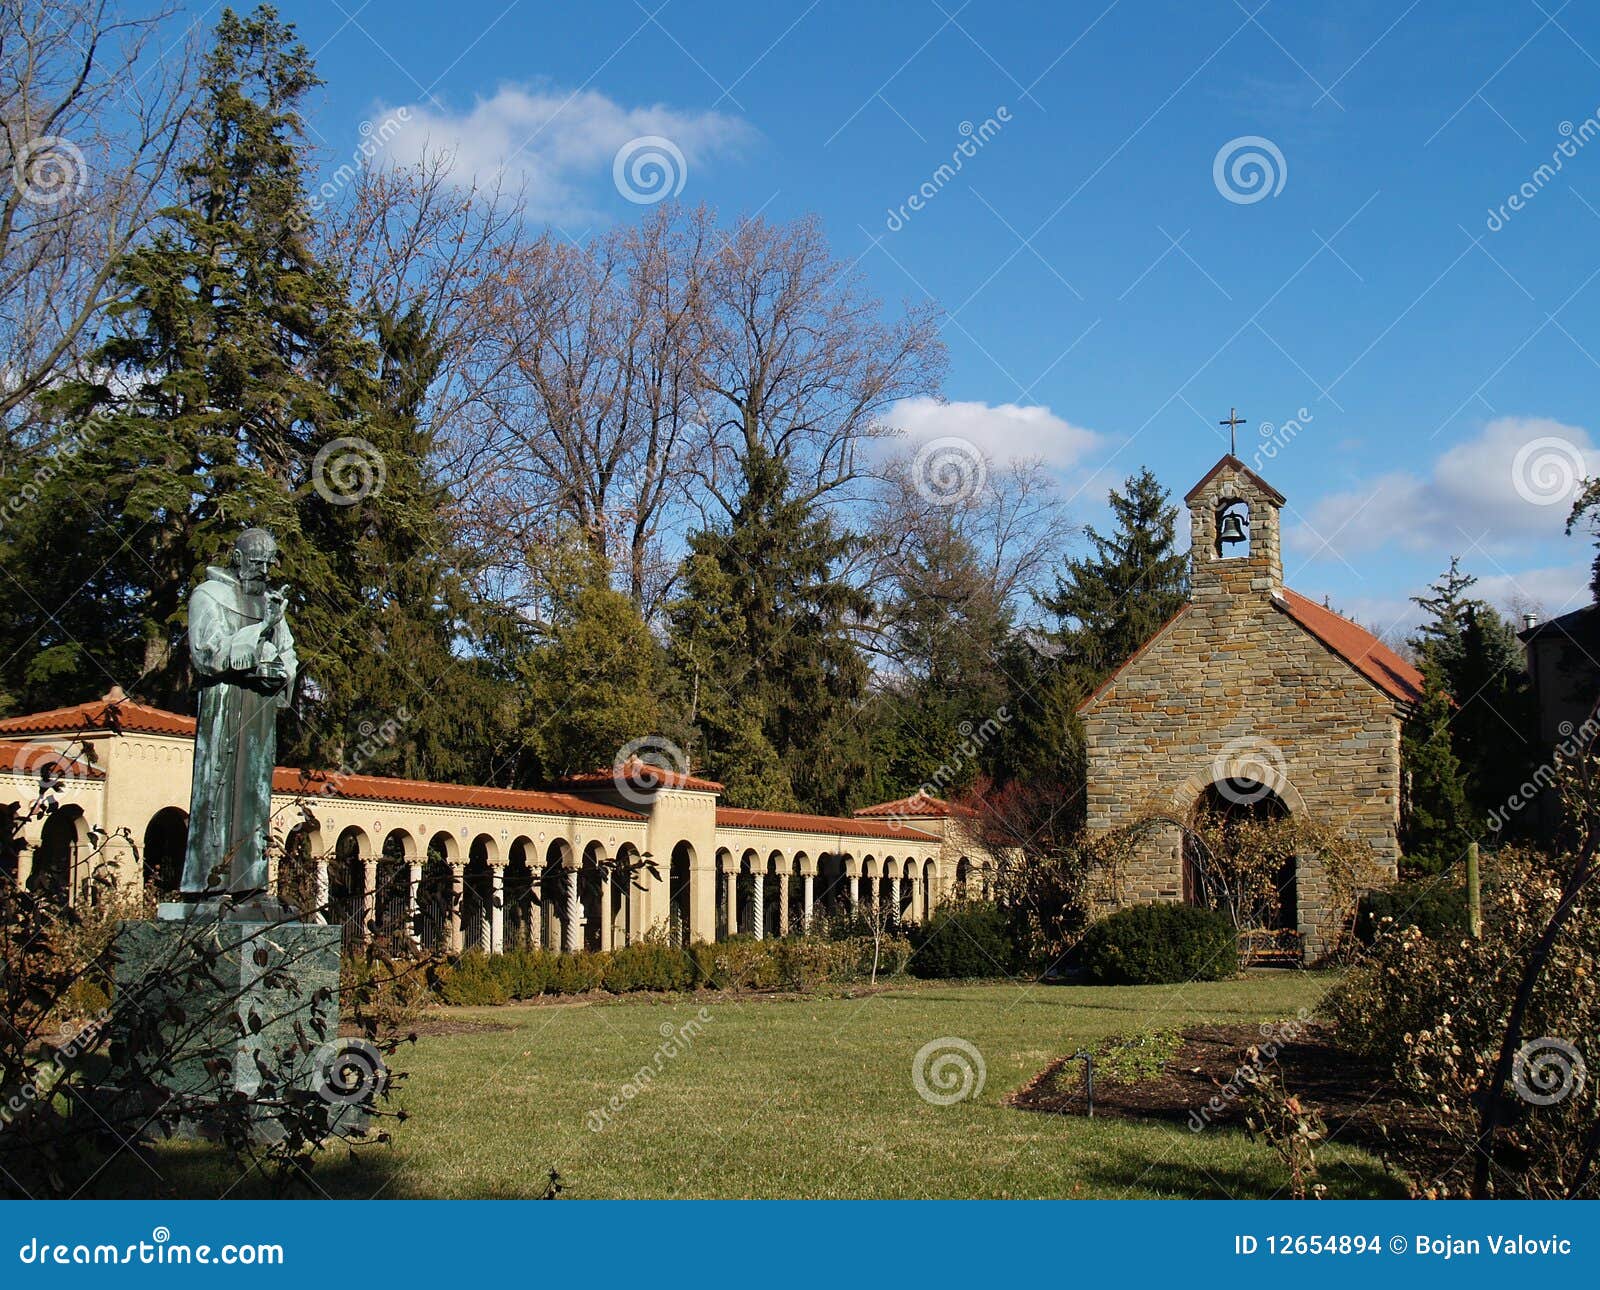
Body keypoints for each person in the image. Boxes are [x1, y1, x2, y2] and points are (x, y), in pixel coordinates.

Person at [177, 528, 297, 909]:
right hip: (224, 707)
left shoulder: (270, 603)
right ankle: (207, 886)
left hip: (259, 707)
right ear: (239, 558)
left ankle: (250, 886)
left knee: (255, 794)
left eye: (269, 563)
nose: (263, 571)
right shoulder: (208, 596)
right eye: (257, 562)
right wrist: (259, 634)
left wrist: (280, 669)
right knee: (219, 787)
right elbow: (206, 653)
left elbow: (288, 653)